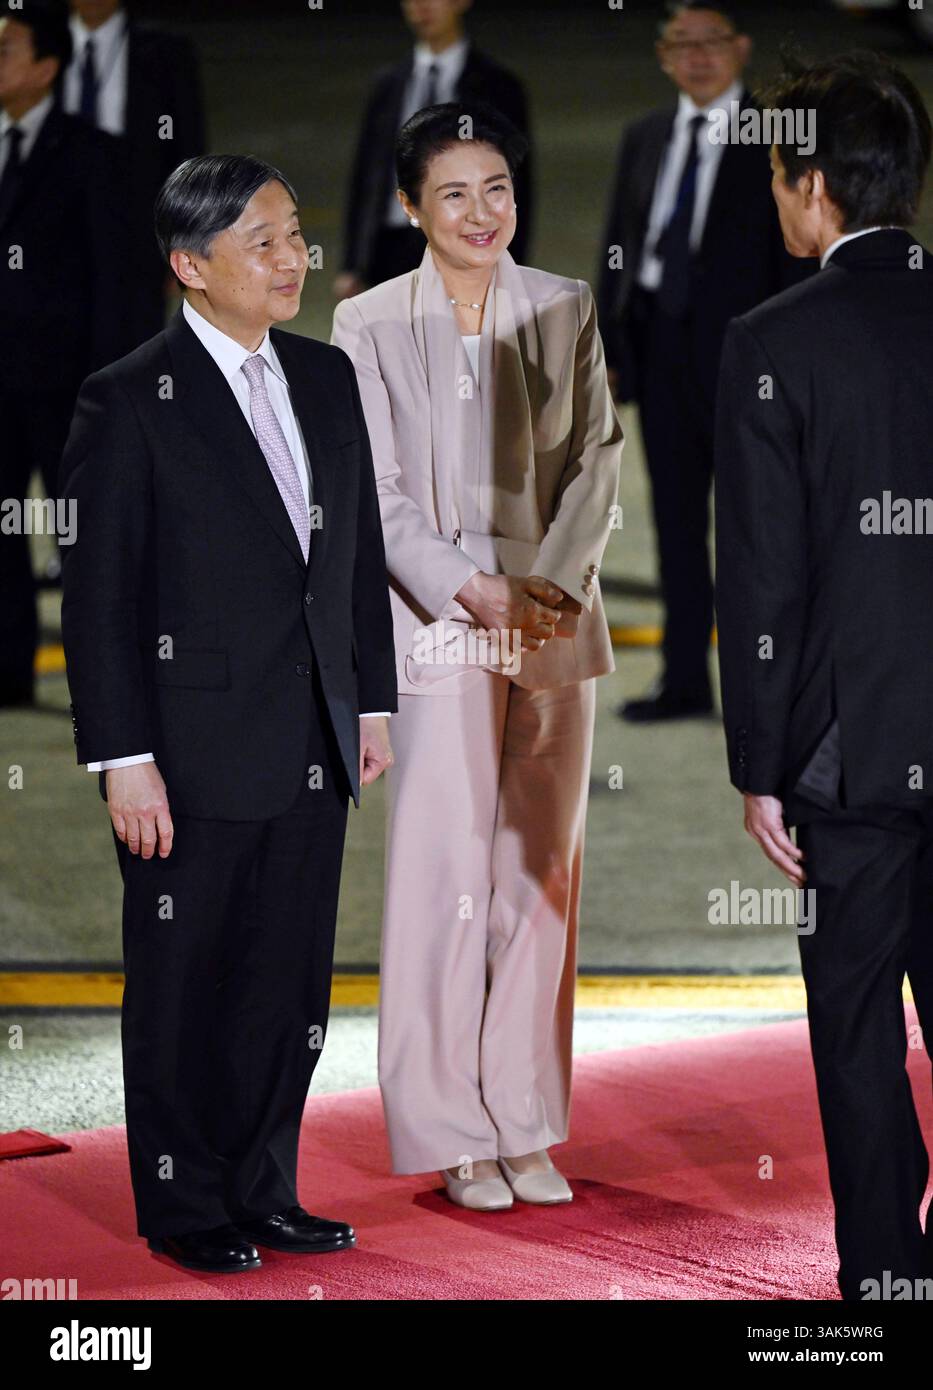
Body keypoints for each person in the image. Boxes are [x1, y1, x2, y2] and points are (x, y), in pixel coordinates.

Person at [59, 154, 397, 1273]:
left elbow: (355, 561)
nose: (293, 256)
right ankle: (184, 1200)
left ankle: (265, 1186)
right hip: (187, 756)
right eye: (264, 240)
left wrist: (373, 700)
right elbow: (100, 596)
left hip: (313, 738)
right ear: (190, 266)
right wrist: (122, 756)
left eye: (295, 232)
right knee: (184, 983)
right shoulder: (127, 397)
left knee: (289, 982)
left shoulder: (325, 378)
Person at [332, 101, 622, 1210]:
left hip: (552, 615)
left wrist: (544, 587)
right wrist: (471, 585)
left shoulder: (563, 303)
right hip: (439, 620)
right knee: (446, 875)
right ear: (411, 206)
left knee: (540, 879)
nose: (480, 211)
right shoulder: (368, 323)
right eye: (453, 192)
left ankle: (528, 1119)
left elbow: (597, 456)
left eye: (496, 187)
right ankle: (455, 1128)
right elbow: (379, 492)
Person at [714, 53, 933, 1300]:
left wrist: (760, 767)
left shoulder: (772, 342)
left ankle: (890, 1280)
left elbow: (764, 585)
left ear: (811, 190)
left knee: (854, 1027)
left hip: (848, 752)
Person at [596, 1, 810, 723]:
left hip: (746, 358)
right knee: (676, 522)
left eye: (710, 42)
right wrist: (613, 347)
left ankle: (772, 688)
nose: (696, 56)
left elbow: (796, 254)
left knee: (757, 530)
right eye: (680, 44)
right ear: (661, 55)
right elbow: (619, 245)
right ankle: (684, 679)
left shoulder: (777, 134)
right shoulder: (645, 134)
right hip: (661, 350)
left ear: (740, 48)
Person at [0, 0, 130, 707]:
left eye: (7, 50)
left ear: (46, 68)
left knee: (83, 537)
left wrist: (108, 388)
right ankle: (7, 672)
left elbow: (115, 283)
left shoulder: (90, 155)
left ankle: (101, 680)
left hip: (65, 385)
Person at [334, 0, 533, 298]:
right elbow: (366, 177)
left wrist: (511, 265)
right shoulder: (387, 85)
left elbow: (519, 184)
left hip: (462, 242)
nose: (422, 6)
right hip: (389, 248)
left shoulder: (499, 87)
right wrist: (352, 263)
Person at [61, 0, 206, 342]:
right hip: (56, 233)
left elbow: (187, 151)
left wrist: (183, 240)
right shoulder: (39, 45)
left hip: (136, 237)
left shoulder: (165, 51)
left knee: (133, 350)